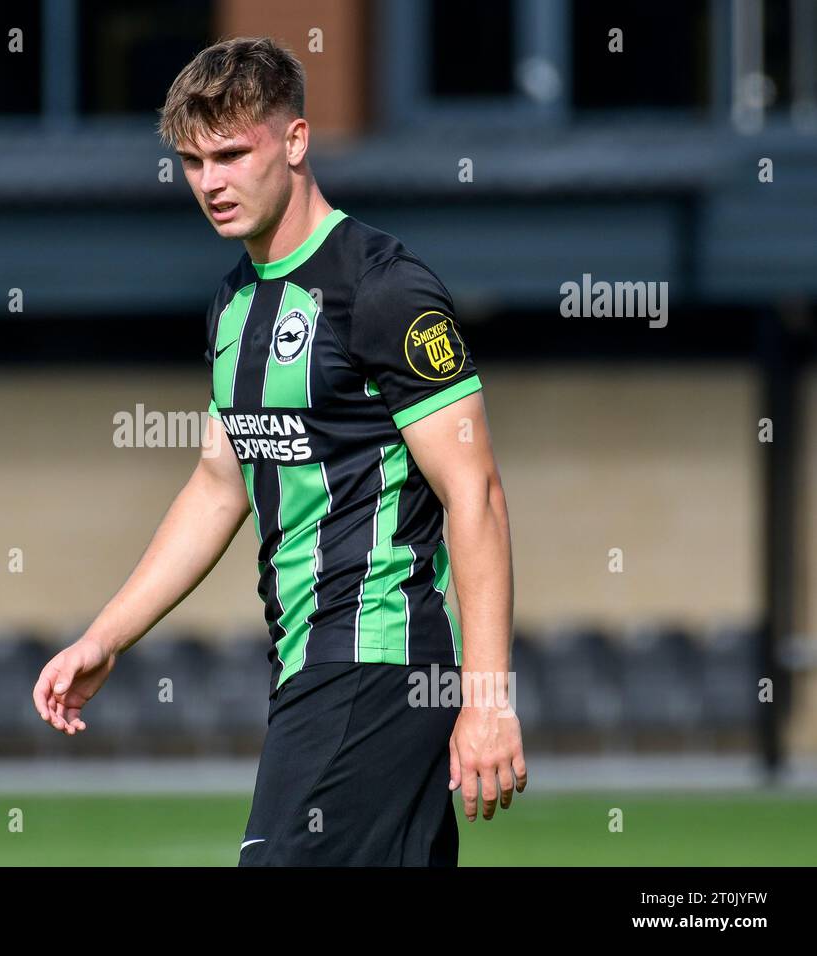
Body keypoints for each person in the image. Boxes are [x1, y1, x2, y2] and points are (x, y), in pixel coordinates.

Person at [32, 36, 525, 866]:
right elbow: (219, 483)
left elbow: (476, 496)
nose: (211, 183)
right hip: (307, 661)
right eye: (192, 162)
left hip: (379, 655)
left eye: (231, 154)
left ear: (296, 142)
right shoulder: (232, 305)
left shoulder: (384, 290)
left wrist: (487, 701)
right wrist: (106, 638)